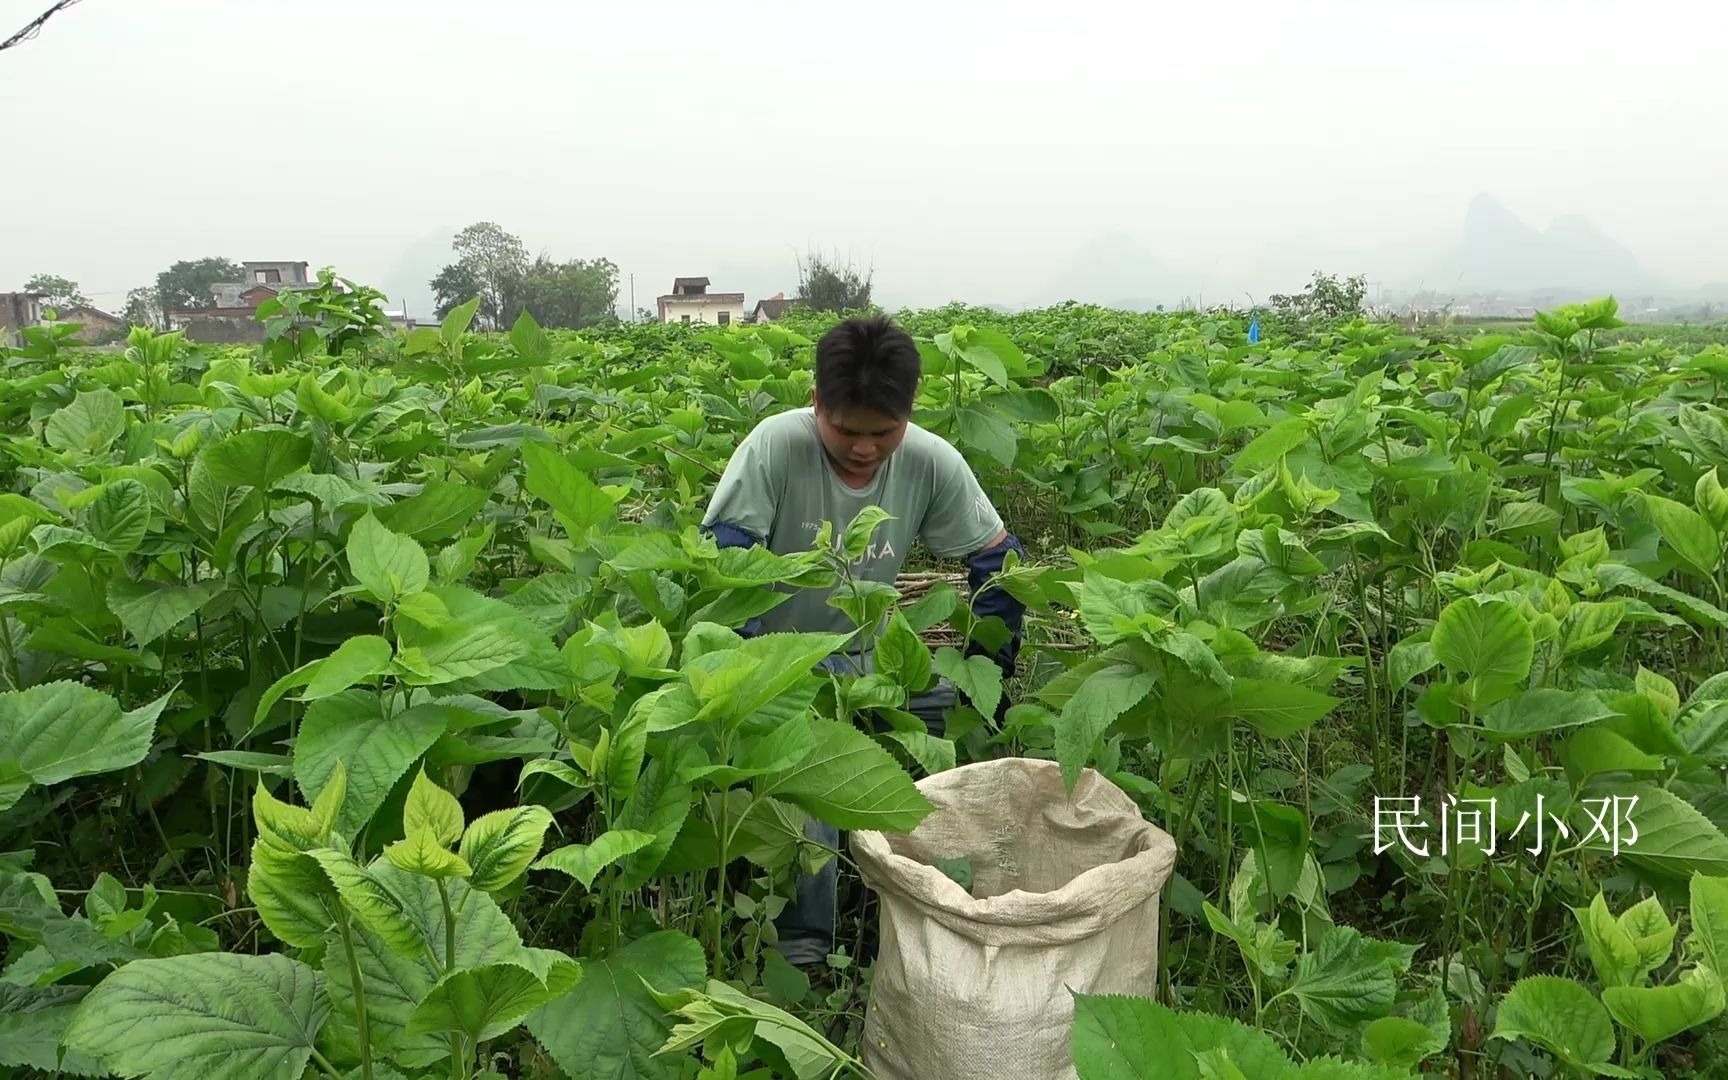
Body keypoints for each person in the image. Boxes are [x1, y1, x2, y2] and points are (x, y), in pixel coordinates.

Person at [700, 314, 1027, 967]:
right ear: (816, 401)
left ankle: (956, 907)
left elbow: (998, 560)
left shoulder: (929, 460)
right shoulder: (775, 447)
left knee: (963, 729)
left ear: (910, 409)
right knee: (808, 784)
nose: (865, 450)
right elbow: (726, 564)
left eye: (884, 432)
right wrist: (750, 686)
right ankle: (804, 952)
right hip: (780, 666)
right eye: (846, 430)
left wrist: (988, 670)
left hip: (870, 660)